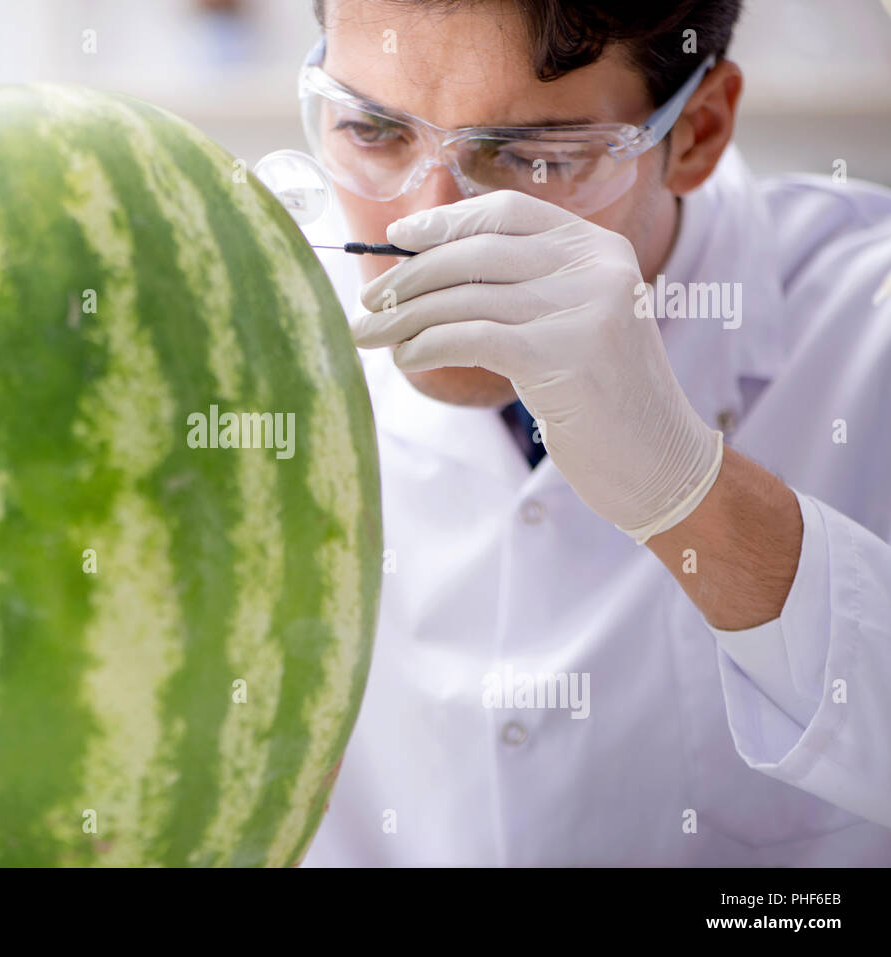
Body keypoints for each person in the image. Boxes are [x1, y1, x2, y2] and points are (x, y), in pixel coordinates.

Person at [297, 0, 891, 866]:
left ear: (696, 129)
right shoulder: (240, 325)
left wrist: (688, 490)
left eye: (531, 156)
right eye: (372, 129)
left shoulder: (867, 320)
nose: (420, 228)